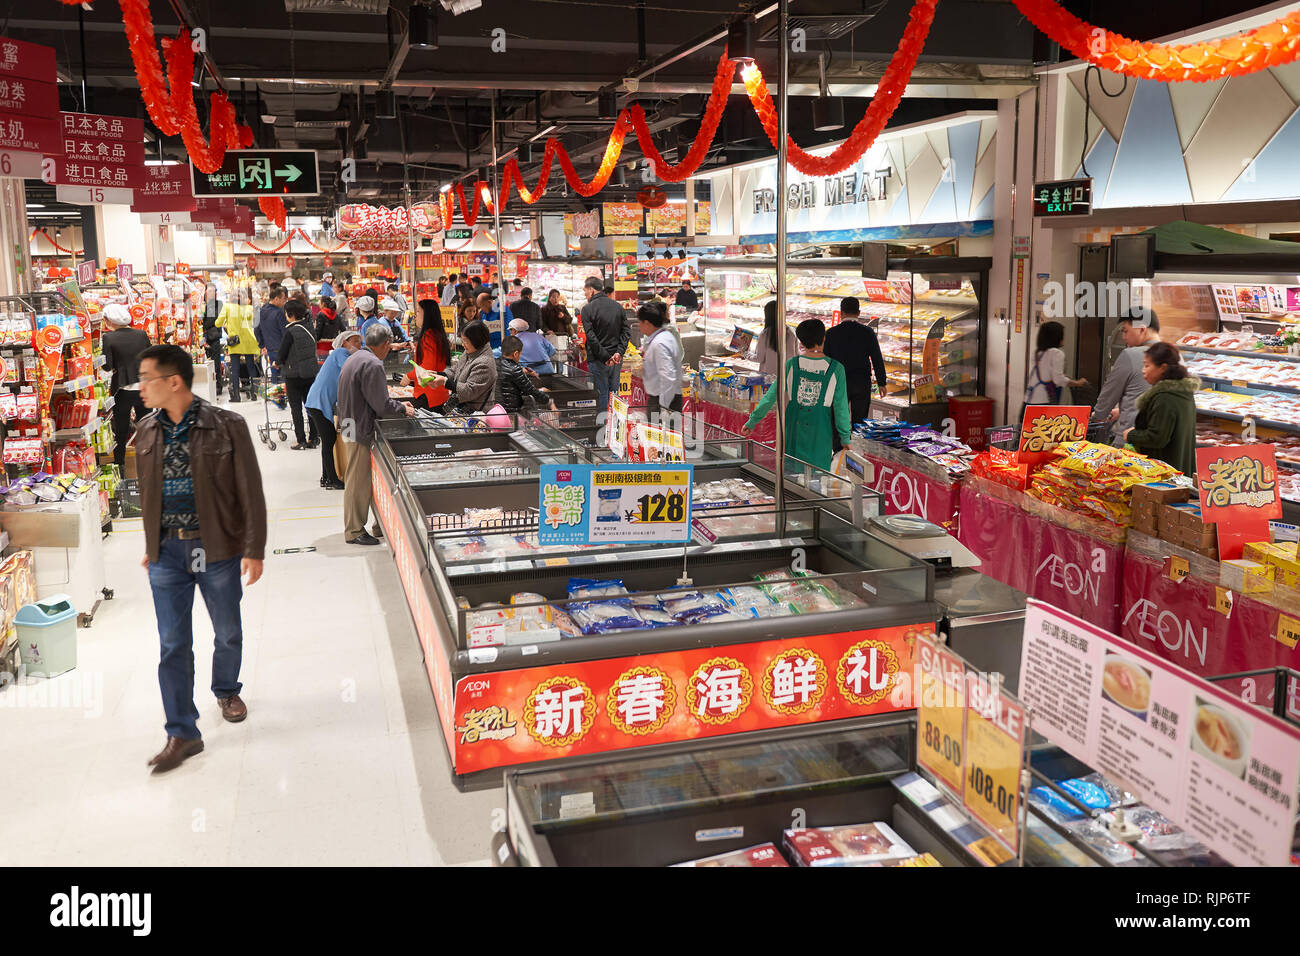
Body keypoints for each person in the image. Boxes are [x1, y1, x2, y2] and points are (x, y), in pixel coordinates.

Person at [135, 344, 266, 773]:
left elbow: (250, 489)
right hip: (167, 555)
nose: (140, 388)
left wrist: (254, 549)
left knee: (227, 631)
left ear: (174, 381)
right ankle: (182, 732)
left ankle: (226, 689)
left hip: (217, 547)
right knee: (173, 644)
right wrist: (152, 544)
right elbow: (150, 492)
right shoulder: (146, 430)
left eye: (146, 379)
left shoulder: (227, 425)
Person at [336, 324, 417, 546]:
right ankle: (354, 530)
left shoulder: (356, 357)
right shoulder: (372, 364)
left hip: (348, 422)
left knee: (359, 476)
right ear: (385, 344)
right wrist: (403, 408)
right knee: (358, 480)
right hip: (359, 426)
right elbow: (381, 405)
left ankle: (377, 524)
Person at [742, 319, 850, 473]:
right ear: (824, 338)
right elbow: (841, 408)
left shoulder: (791, 365)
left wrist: (752, 421)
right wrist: (845, 438)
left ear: (801, 342)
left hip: (793, 429)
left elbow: (771, 396)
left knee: (791, 474)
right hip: (820, 432)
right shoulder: (836, 369)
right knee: (818, 476)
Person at [1122, 343, 1199, 476]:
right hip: (1180, 468)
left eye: (1147, 366)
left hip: (1164, 473)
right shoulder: (1183, 392)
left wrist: (1131, 434)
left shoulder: (1165, 398)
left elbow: (1157, 438)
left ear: (1163, 368)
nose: (1143, 370)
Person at [1094, 309, 1161, 444]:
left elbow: (1107, 397)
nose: (1124, 337)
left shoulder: (1131, 355)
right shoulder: (1176, 356)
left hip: (1131, 439)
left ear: (1141, 329)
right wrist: (1122, 410)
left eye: (1125, 331)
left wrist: (1099, 415)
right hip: (1159, 439)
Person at [306, 330, 362, 490]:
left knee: (328, 439)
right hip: (318, 402)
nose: (359, 345)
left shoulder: (342, 355)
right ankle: (332, 479)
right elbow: (351, 371)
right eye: (356, 341)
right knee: (328, 440)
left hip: (318, 401)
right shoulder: (340, 353)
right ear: (345, 342)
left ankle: (326, 477)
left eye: (360, 341)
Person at [101, 304, 153, 471]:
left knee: (121, 431)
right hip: (144, 387)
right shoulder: (141, 334)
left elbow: (107, 366)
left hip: (122, 389)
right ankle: (149, 464)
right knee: (146, 427)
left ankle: (120, 466)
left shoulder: (108, 338)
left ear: (110, 320)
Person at [823, 297, 888, 423]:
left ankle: (840, 436)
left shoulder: (831, 333)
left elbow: (826, 360)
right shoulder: (867, 332)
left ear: (841, 313)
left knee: (838, 420)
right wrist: (882, 382)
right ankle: (858, 436)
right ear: (859, 313)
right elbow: (876, 358)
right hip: (861, 381)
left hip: (838, 382)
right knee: (860, 422)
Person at [579, 275, 629, 419]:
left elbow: (591, 337)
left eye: (585, 291)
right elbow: (626, 332)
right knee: (614, 394)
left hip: (598, 359)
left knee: (601, 394)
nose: (585, 294)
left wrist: (605, 357)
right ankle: (615, 427)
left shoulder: (587, 309)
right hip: (616, 359)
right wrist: (618, 353)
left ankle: (603, 427)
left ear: (591, 290)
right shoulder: (618, 307)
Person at [276, 299, 320, 450]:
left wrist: (277, 362)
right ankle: (313, 438)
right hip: (311, 373)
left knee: (296, 408)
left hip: (293, 375)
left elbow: (282, 354)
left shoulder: (290, 331)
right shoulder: (310, 328)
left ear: (291, 314)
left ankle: (300, 440)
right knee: (311, 406)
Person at [431, 321, 499, 414]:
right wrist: (438, 374)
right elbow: (455, 370)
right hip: (460, 410)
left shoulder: (485, 363)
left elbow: (469, 391)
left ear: (476, 340)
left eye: (465, 341)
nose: (463, 344)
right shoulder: (470, 351)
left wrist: (445, 381)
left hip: (476, 415)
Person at [403, 299, 452, 410]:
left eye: (418, 311)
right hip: (439, 393)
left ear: (427, 314)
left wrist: (409, 376)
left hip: (428, 395)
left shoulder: (429, 336)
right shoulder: (437, 334)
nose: (415, 316)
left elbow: (427, 369)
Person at [1025, 320, 1088, 406]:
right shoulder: (1057, 353)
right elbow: (1058, 380)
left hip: (1029, 400)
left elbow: (1047, 374)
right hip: (1043, 402)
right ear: (1057, 337)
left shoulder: (1039, 353)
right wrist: (1078, 383)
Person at [638, 301, 683, 415]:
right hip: (663, 399)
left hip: (664, 401)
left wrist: (664, 407)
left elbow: (668, 377)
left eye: (640, 322)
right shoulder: (661, 338)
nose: (639, 326)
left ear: (647, 323)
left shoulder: (660, 343)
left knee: (660, 427)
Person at [217, 286, 260, 402]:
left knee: (235, 368)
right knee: (251, 367)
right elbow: (253, 324)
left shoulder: (227, 307)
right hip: (249, 340)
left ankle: (236, 396)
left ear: (232, 297)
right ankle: (254, 393)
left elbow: (218, 323)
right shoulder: (249, 308)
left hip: (235, 341)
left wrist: (227, 324)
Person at [495, 335, 556, 413]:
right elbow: (531, 391)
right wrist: (549, 402)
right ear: (516, 354)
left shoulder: (495, 363)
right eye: (520, 354)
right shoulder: (515, 369)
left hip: (496, 410)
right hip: (511, 412)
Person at [754, 299, 798, 377]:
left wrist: (744, 353)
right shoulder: (791, 332)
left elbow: (759, 358)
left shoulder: (765, 334)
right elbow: (796, 355)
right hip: (787, 375)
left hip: (768, 377)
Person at [255, 287, 288, 382]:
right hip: (281, 349)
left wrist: (262, 345)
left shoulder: (261, 310)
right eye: (283, 299)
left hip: (270, 349)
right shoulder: (279, 313)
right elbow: (285, 333)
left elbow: (256, 330)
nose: (284, 302)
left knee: (274, 374)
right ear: (276, 299)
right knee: (283, 377)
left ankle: (274, 390)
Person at [200, 281, 225, 396]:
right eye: (208, 291)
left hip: (214, 338)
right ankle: (208, 387)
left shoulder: (218, 304)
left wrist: (204, 323)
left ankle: (218, 387)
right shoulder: (202, 304)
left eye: (213, 291)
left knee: (215, 364)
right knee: (205, 364)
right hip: (203, 339)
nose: (210, 293)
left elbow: (212, 321)